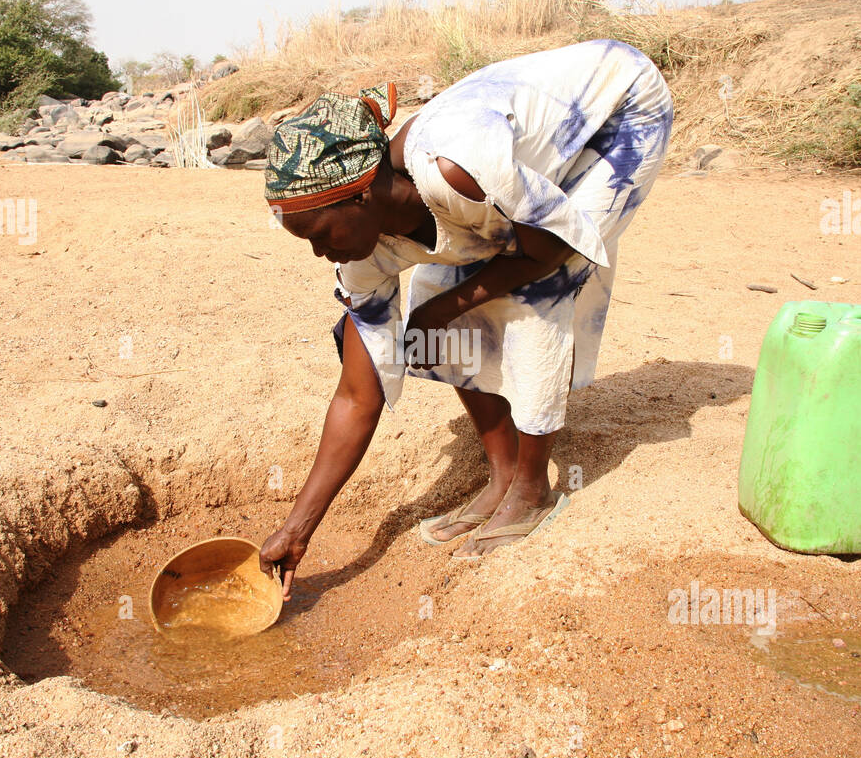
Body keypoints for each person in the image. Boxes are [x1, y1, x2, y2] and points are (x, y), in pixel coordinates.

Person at [258, 39, 672, 599]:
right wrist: (297, 528)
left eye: (316, 235)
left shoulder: (456, 169)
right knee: (437, 289)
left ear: (359, 196)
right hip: (504, 166)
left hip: (618, 108)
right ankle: (501, 474)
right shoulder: (363, 253)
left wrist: (445, 308)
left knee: (534, 297)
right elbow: (359, 394)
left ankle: (531, 488)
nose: (318, 254)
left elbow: (545, 252)